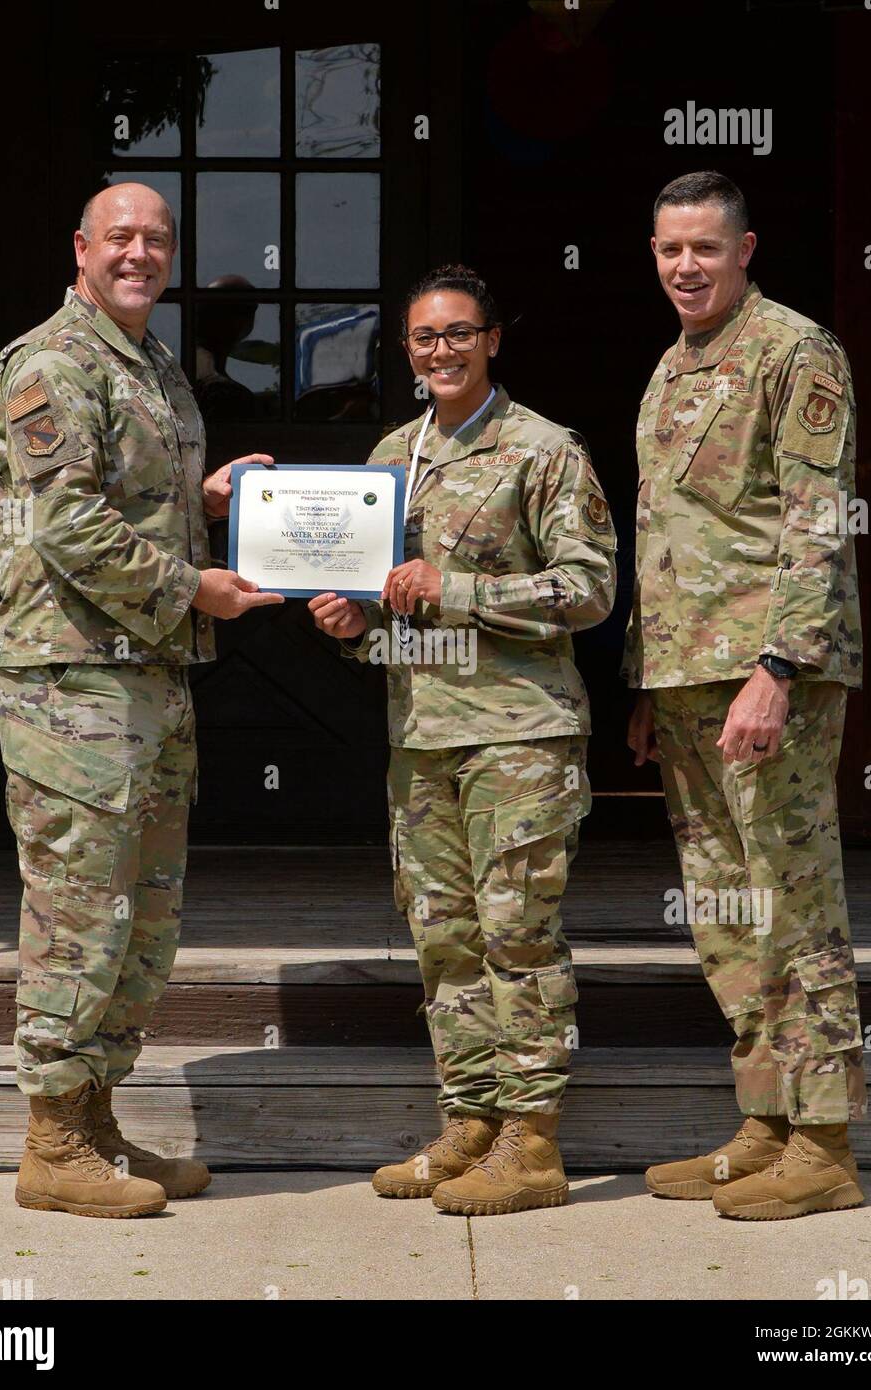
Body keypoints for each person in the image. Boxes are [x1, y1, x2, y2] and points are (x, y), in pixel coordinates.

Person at [0, 182, 281, 1217]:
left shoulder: (150, 365)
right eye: (121, 236)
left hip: (145, 679)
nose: (140, 253)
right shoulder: (51, 363)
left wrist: (199, 505)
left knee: (141, 914)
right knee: (77, 912)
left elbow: (128, 504)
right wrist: (191, 583)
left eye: (156, 239)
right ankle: (51, 1140)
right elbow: (69, 527)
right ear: (82, 247)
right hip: (71, 684)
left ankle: (97, 1119)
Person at [308, 265, 616, 1215]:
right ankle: (471, 1122)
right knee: (442, 942)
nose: (440, 351)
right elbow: (391, 604)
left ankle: (531, 1142)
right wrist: (359, 627)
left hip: (520, 737)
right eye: (423, 338)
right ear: (405, 352)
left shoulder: (544, 451)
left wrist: (461, 589)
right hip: (423, 737)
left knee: (518, 939)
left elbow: (590, 588)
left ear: (492, 340)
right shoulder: (392, 456)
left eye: (458, 333)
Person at [625, 172, 866, 1220]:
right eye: (671, 249)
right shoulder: (670, 367)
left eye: (706, 250)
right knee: (728, 905)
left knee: (793, 897)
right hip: (684, 675)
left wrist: (777, 667)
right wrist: (644, 675)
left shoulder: (794, 351)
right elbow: (664, 532)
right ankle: (764, 1117)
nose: (686, 266)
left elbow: (813, 519)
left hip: (766, 677)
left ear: (745, 249)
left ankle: (825, 1141)